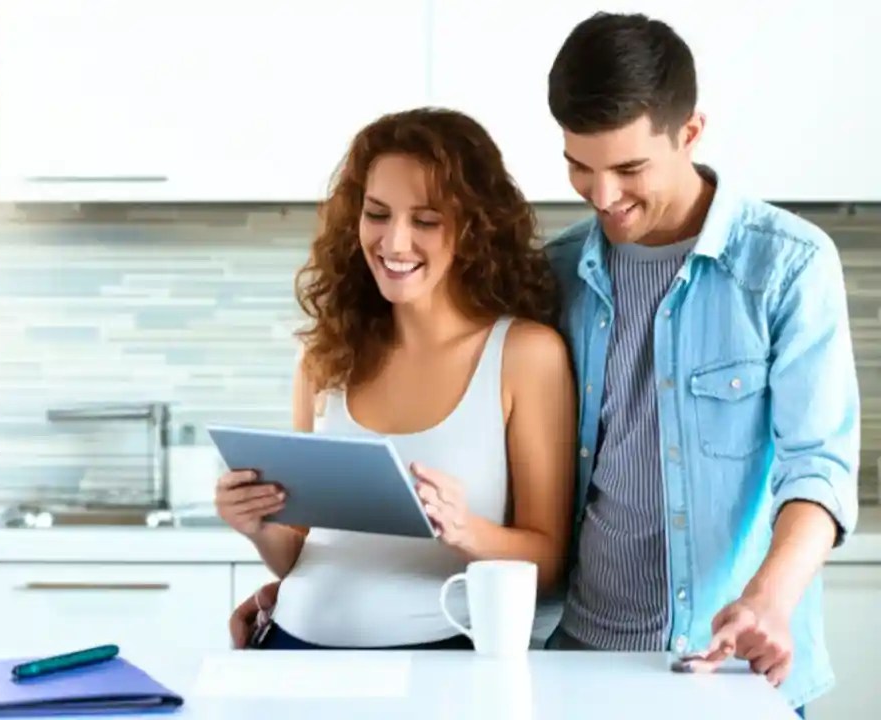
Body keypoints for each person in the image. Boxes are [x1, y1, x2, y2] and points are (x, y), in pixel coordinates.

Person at [230, 12, 859, 714]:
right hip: (575, 654)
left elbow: (820, 466)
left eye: (629, 169)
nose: (605, 197)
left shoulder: (786, 266)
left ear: (690, 133)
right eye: (580, 168)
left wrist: (768, 600)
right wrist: (304, 588)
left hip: (727, 653)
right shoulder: (558, 274)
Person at [214, 107, 576, 650]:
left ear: (474, 230)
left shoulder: (524, 355)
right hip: (289, 650)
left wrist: (465, 530)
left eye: (426, 220)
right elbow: (302, 551)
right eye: (377, 214)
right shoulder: (326, 356)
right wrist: (258, 526)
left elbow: (548, 563)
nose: (394, 242)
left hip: (443, 661)